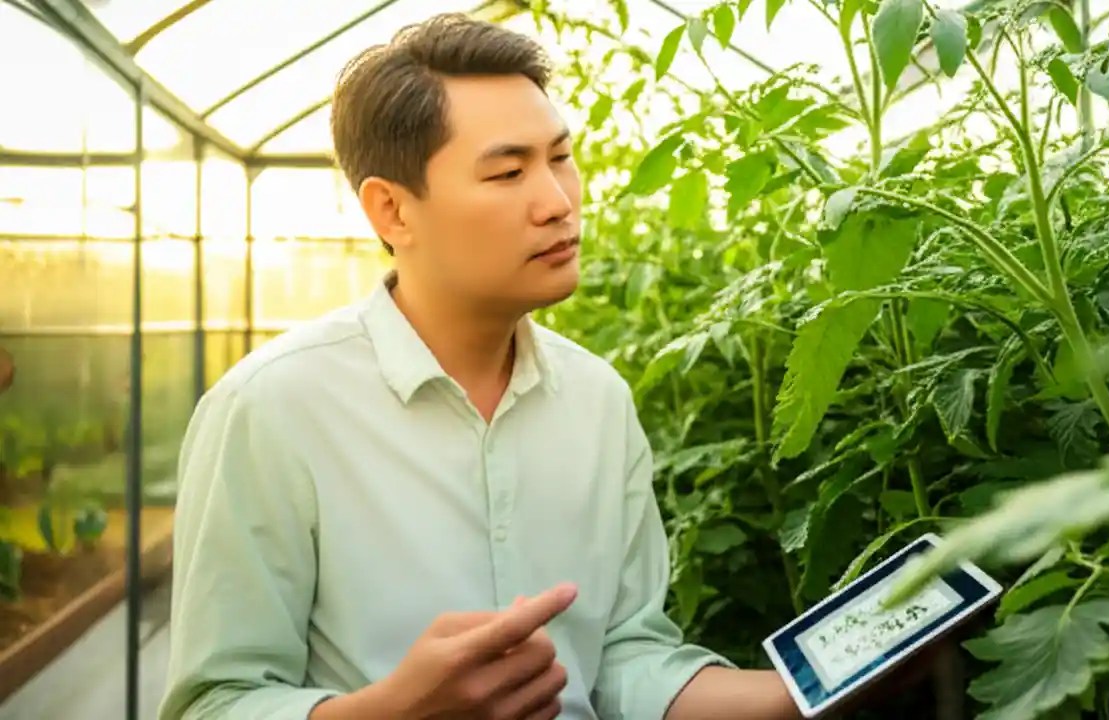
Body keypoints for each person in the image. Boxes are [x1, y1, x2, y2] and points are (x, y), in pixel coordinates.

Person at [160, 13, 823, 720]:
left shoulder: (595, 401)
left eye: (560, 158)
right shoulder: (273, 409)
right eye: (508, 171)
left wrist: (801, 693)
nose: (558, 202)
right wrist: (389, 712)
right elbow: (214, 701)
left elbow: (624, 659)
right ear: (392, 211)